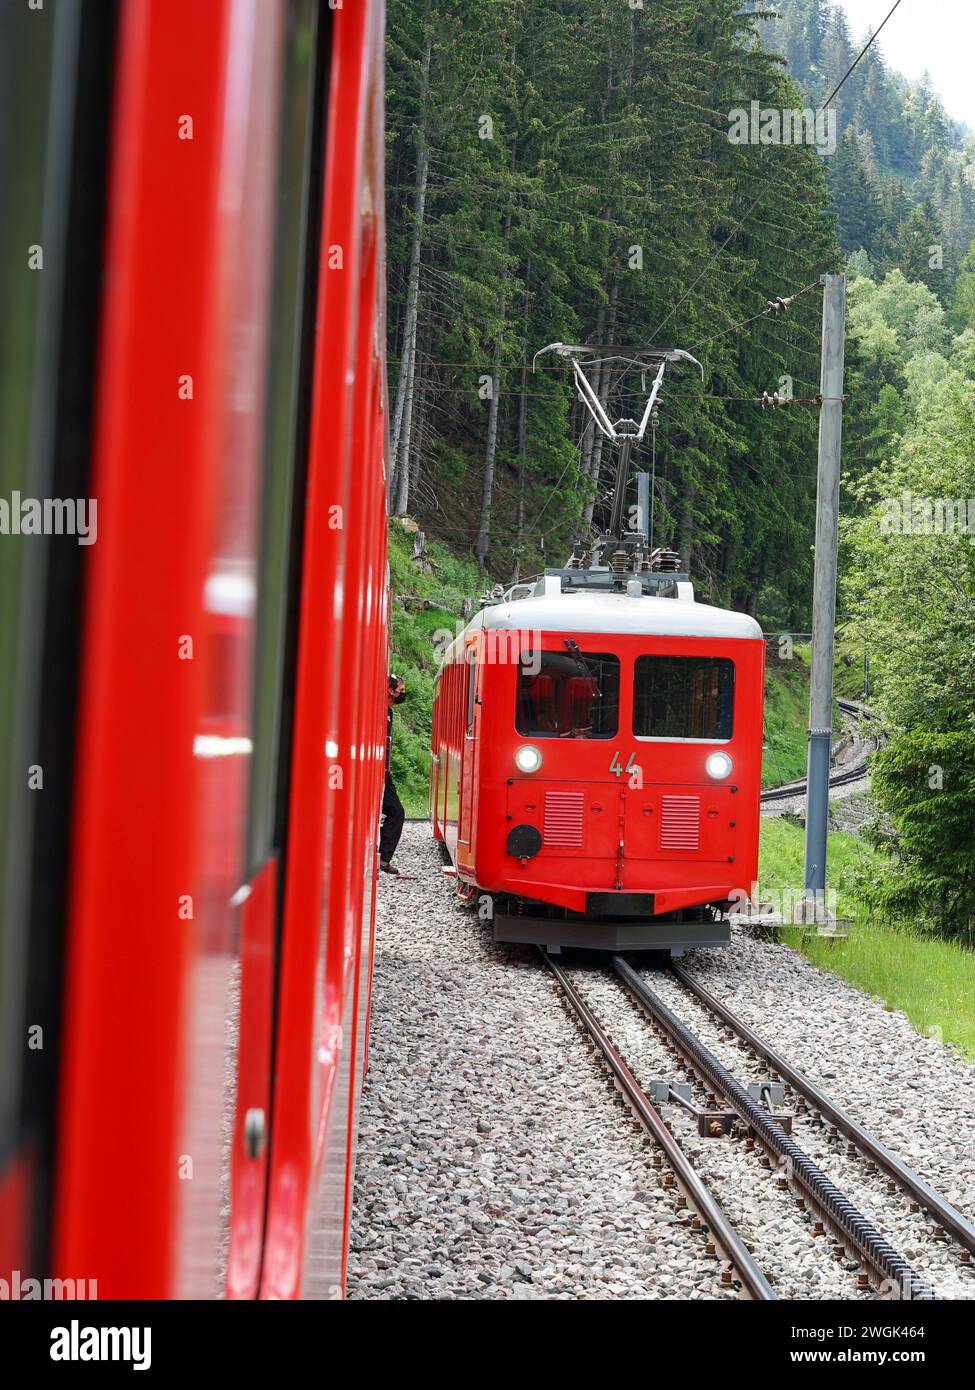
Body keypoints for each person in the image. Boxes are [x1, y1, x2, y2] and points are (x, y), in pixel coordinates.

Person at [380, 674, 407, 874]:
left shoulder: (387, 711)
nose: (402, 695)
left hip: (384, 772)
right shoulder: (381, 711)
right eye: (400, 691)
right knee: (396, 811)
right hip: (379, 771)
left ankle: (383, 857)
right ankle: (383, 858)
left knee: (396, 811)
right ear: (390, 691)